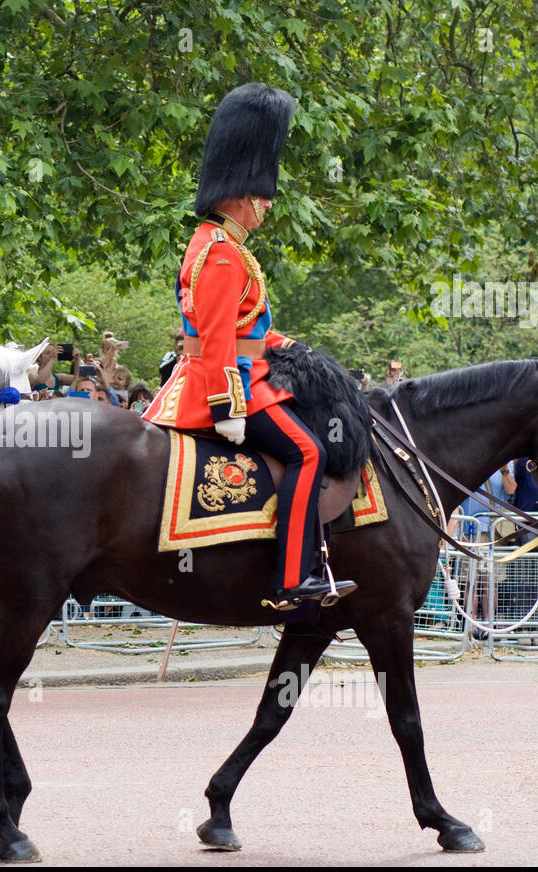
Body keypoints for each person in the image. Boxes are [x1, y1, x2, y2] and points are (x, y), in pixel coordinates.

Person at [142, 82, 354, 608]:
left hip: (240, 371)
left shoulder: (220, 245)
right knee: (309, 452)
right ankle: (291, 578)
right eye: (261, 196)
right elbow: (214, 340)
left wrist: (291, 347)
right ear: (240, 193)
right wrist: (226, 405)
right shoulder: (221, 253)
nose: (266, 205)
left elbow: (245, 328)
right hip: (224, 384)